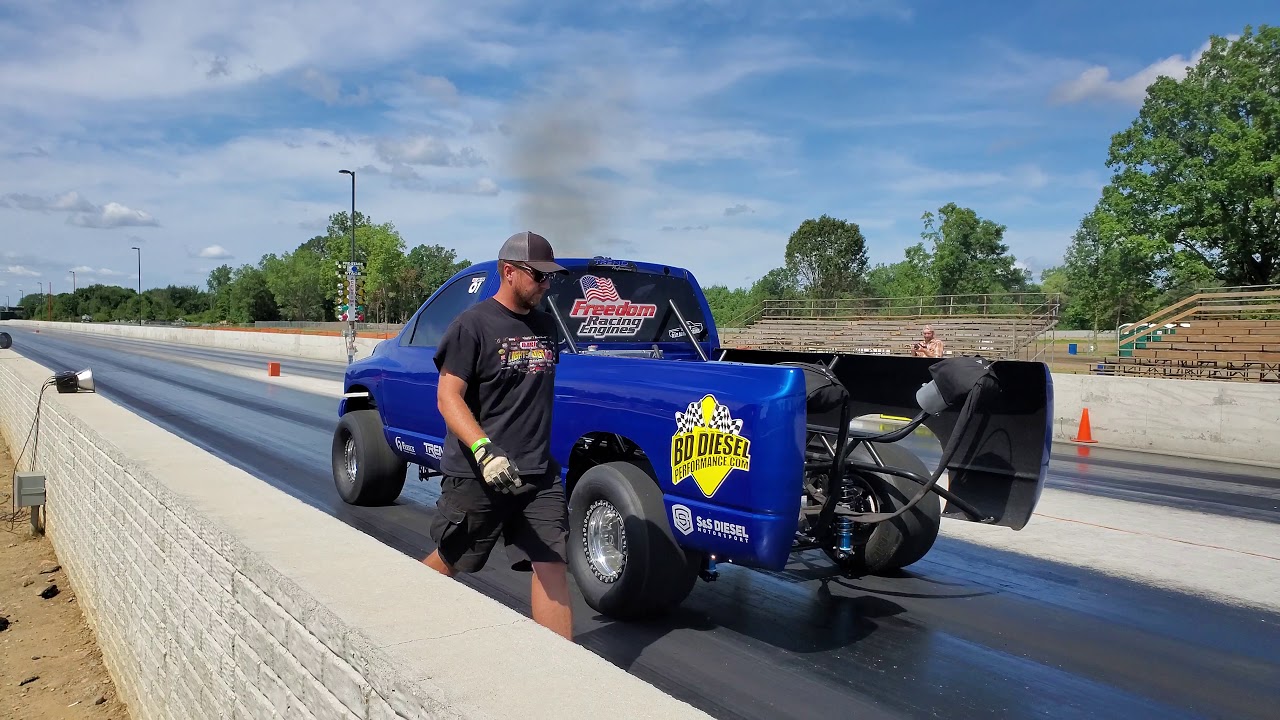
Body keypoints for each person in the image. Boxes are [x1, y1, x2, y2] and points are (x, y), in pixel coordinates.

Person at [420, 230, 574, 641]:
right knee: (452, 560)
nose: (546, 285)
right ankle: (401, 631)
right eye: (538, 277)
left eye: (549, 278)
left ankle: (564, 674)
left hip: (537, 474)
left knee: (552, 563)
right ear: (509, 272)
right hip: (479, 474)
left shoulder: (546, 326)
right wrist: (484, 450)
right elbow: (448, 396)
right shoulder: (472, 325)